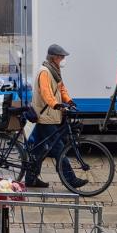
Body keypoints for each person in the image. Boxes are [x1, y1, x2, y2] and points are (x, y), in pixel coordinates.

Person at [25, 44, 83, 189]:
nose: (63, 59)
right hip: (45, 116)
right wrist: (56, 104)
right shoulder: (45, 72)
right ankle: (71, 180)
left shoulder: (54, 71)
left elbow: (61, 88)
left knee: (38, 149)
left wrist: (69, 100)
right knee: (59, 148)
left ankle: (31, 179)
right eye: (61, 57)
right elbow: (46, 93)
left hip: (49, 115)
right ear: (54, 58)